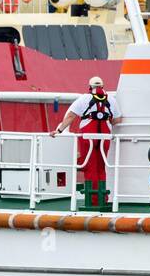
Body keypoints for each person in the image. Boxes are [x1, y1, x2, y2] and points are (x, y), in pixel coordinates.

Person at [50, 77, 122, 208]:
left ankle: (92, 199)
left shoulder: (83, 99)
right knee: (101, 167)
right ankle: (102, 198)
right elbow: (117, 120)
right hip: (105, 137)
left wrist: (59, 130)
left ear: (90, 86)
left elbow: (71, 116)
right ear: (103, 86)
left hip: (87, 137)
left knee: (89, 166)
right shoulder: (111, 100)